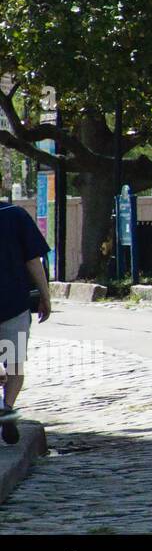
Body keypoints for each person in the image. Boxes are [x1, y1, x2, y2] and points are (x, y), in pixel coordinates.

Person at [0, 176, 52, 445]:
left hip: (13, 304)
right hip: (13, 304)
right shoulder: (15, 215)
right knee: (15, 362)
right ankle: (7, 407)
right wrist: (45, 296)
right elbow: (33, 260)